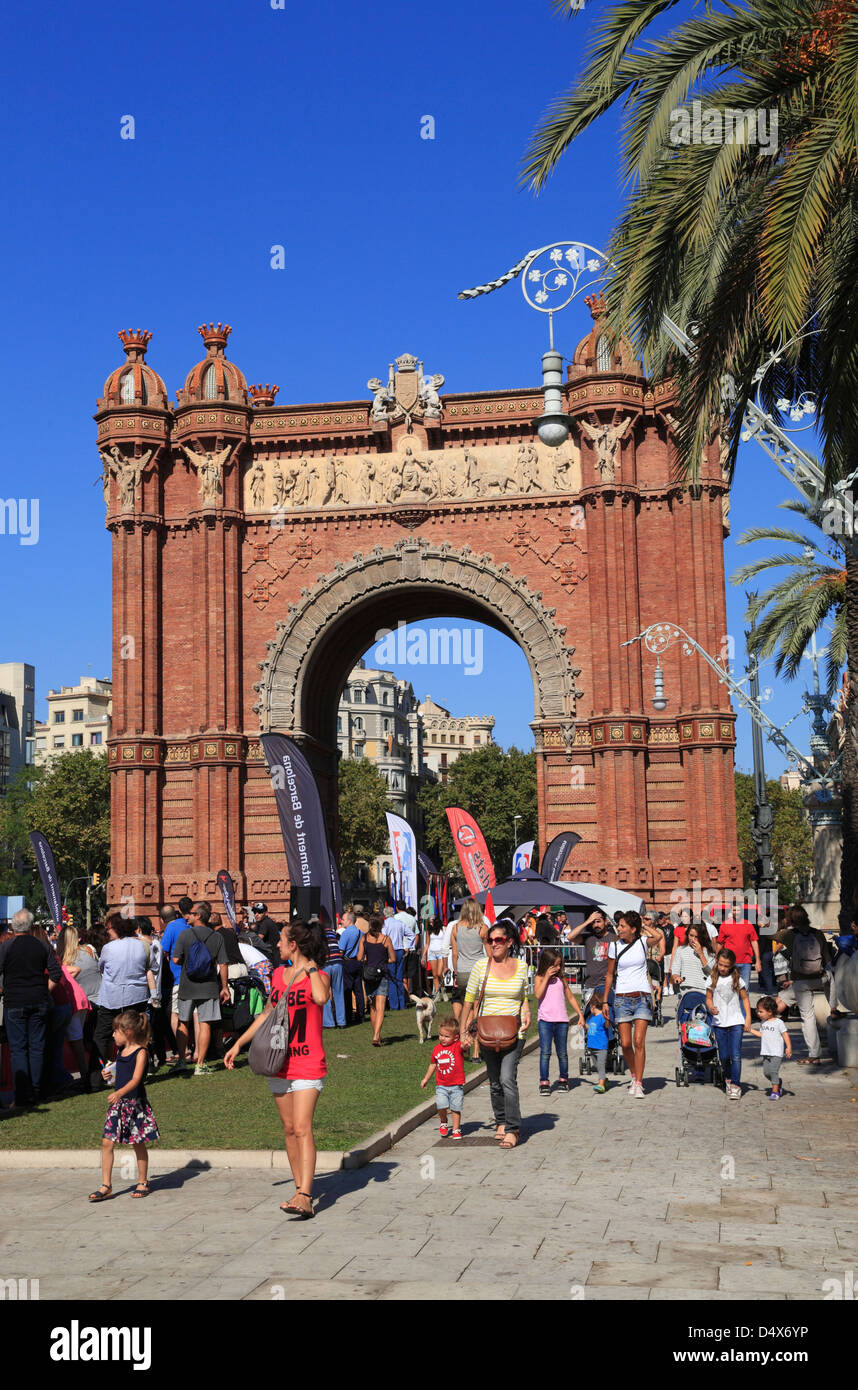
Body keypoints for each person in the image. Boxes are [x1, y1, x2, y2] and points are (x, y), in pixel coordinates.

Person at [225, 919, 331, 1219]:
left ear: (294, 944)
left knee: (302, 1127)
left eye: (282, 941)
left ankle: (306, 1195)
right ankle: (299, 1189)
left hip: (309, 1061)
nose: (277, 946)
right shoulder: (278, 975)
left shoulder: (318, 975)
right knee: (288, 1129)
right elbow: (267, 1014)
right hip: (279, 1062)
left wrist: (309, 967)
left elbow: (322, 999)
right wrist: (238, 1044)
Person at [459, 919, 530, 1149]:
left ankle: (512, 1128)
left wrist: (526, 1008)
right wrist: (463, 1032)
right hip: (487, 1032)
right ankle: (500, 1120)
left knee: (508, 1078)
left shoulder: (521, 966)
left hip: (515, 1031)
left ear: (509, 942)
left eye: (498, 940)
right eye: (490, 940)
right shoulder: (481, 966)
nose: (493, 944)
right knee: (495, 1081)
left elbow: (523, 995)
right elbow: (469, 1001)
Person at [89, 1009, 160, 1202]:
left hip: (134, 1105)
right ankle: (106, 1185)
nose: (113, 1035)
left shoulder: (141, 1052)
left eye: (116, 1031)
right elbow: (120, 1075)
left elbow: (136, 1079)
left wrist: (119, 1093)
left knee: (137, 1143)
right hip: (118, 1105)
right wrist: (109, 1075)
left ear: (128, 1032)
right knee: (106, 1142)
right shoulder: (121, 1051)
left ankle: (143, 1181)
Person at [0, 908, 63, 1107]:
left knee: (18, 1049)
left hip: (14, 1001)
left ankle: (21, 1095)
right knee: (37, 1047)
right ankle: (35, 1092)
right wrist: (45, 992)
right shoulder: (42, 946)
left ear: (12, 926)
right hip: (39, 1000)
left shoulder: (6, 947)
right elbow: (56, 973)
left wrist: (4, 989)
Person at [601, 910, 663, 1097]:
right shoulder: (615, 947)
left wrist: (643, 926)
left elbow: (658, 936)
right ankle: (634, 1073)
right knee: (626, 1044)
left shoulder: (643, 942)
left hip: (642, 996)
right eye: (618, 926)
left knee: (638, 1042)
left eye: (622, 926)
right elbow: (610, 974)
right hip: (622, 998)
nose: (618, 929)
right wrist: (605, 1000)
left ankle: (638, 1083)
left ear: (632, 929)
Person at [171, 902, 229, 1076]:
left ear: (198, 916)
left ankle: (182, 1060)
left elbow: (175, 960)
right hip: (209, 985)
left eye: (191, 913)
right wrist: (224, 986)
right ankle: (200, 1064)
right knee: (205, 1024)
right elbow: (223, 963)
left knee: (183, 1021)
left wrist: (188, 963)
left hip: (187, 984)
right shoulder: (217, 936)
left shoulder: (184, 935)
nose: (187, 915)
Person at [774, 905, 835, 1064]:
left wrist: (781, 925)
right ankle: (834, 1009)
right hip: (820, 978)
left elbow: (769, 935)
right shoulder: (818, 933)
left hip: (801, 981)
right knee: (830, 982)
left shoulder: (789, 935)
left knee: (807, 1017)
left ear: (791, 919)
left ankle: (814, 1055)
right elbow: (827, 958)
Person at [93, 915, 153, 1071]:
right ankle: (140, 1070)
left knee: (101, 1037)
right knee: (137, 1035)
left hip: (112, 998)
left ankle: (97, 1077)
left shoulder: (108, 948)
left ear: (117, 928)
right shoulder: (143, 945)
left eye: (109, 929)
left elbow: (102, 968)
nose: (107, 932)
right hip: (137, 995)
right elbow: (150, 966)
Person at [533, 946, 584, 1095]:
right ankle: (544, 1082)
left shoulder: (561, 979)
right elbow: (538, 994)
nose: (557, 968)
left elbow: (570, 996)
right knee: (545, 1052)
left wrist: (580, 1014)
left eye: (559, 965)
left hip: (561, 1020)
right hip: (545, 1021)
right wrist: (547, 977)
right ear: (546, 964)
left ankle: (563, 1079)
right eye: (554, 965)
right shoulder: (539, 977)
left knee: (562, 1053)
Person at [706, 948, 753, 1098]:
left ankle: (735, 1084)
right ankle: (727, 1077)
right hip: (719, 1022)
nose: (723, 968)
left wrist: (748, 1018)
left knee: (736, 1055)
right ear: (717, 963)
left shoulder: (737, 978)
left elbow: (745, 998)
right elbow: (708, 997)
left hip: (736, 1021)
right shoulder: (712, 977)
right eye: (721, 965)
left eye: (727, 966)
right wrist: (710, 1006)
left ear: (732, 966)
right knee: (724, 1056)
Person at [56, 926, 93, 1091]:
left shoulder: (63, 960)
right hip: (83, 1000)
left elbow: (74, 970)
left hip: (75, 1002)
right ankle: (87, 1076)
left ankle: (85, 1078)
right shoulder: (86, 953)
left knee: (76, 1042)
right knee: (79, 1040)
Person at [420, 1018, 465, 1138]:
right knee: (441, 1105)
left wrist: (467, 1041)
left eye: (446, 1036)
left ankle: (456, 1129)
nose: (442, 1038)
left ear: (455, 1037)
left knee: (456, 1108)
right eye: (440, 1035)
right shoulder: (436, 1049)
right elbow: (433, 1064)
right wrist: (426, 1079)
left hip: (456, 1085)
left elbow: (465, 1046)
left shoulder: (457, 1046)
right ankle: (443, 1121)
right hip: (441, 1085)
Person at [567, 907, 618, 1010]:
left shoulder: (614, 938)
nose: (596, 925)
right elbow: (570, 937)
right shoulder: (588, 938)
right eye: (593, 923)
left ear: (606, 921)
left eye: (598, 921)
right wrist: (587, 921)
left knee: (608, 1018)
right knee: (589, 1019)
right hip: (590, 985)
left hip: (607, 986)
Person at [357, 914, 395, 1045]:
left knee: (372, 1007)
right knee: (380, 1007)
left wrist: (368, 960)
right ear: (381, 925)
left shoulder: (364, 938)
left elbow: (359, 957)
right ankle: (376, 1035)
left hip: (368, 975)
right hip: (382, 974)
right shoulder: (386, 940)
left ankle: (376, 1036)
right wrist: (384, 961)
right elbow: (393, 959)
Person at [159, 903, 190, 1057]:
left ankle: (182, 1051)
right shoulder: (186, 924)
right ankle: (195, 1050)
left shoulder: (170, 928)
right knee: (194, 1015)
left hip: (177, 977)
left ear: (162, 919)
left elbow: (162, 951)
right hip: (192, 976)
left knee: (175, 1015)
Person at [748, 995, 792, 1099]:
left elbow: (785, 1035)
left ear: (770, 1012)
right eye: (758, 1011)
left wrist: (788, 1047)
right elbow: (762, 1035)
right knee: (766, 1073)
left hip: (776, 1052)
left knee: (773, 1071)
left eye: (760, 1011)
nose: (758, 1014)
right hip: (766, 1051)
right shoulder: (763, 1023)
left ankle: (775, 1092)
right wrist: (750, 1030)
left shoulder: (779, 1023)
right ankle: (778, 1082)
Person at [715, 908, 761, 990]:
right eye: (734, 910)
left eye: (738, 910)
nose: (736, 912)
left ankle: (742, 1003)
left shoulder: (748, 924)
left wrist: (758, 960)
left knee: (744, 989)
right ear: (731, 911)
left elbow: (754, 942)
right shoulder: (725, 924)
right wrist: (717, 959)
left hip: (745, 962)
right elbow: (720, 943)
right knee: (729, 989)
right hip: (729, 963)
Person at [669, 922, 716, 994]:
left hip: (703, 989)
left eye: (696, 937)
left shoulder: (709, 951)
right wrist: (676, 977)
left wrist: (700, 953)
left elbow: (711, 972)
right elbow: (675, 970)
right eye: (691, 935)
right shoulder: (680, 950)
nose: (693, 939)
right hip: (685, 989)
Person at [338, 911, 365, 1025]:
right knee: (358, 990)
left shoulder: (345, 933)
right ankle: (361, 1015)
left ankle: (348, 1016)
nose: (341, 921)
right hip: (358, 963)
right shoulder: (361, 933)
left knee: (347, 991)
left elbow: (341, 951)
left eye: (343, 919)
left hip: (347, 962)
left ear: (349, 920)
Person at [320, 910, 345, 1028]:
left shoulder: (318, 934)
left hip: (326, 964)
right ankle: (341, 1021)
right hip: (338, 963)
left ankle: (329, 1022)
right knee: (339, 992)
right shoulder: (333, 932)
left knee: (325, 993)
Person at [585, 990, 612, 1093]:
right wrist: (584, 1025)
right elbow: (589, 1028)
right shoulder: (592, 1018)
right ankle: (604, 1080)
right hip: (592, 1047)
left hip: (601, 1047)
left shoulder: (602, 1017)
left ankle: (601, 1085)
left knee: (600, 1066)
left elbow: (607, 1025)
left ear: (593, 1006)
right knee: (596, 1066)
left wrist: (607, 1018)